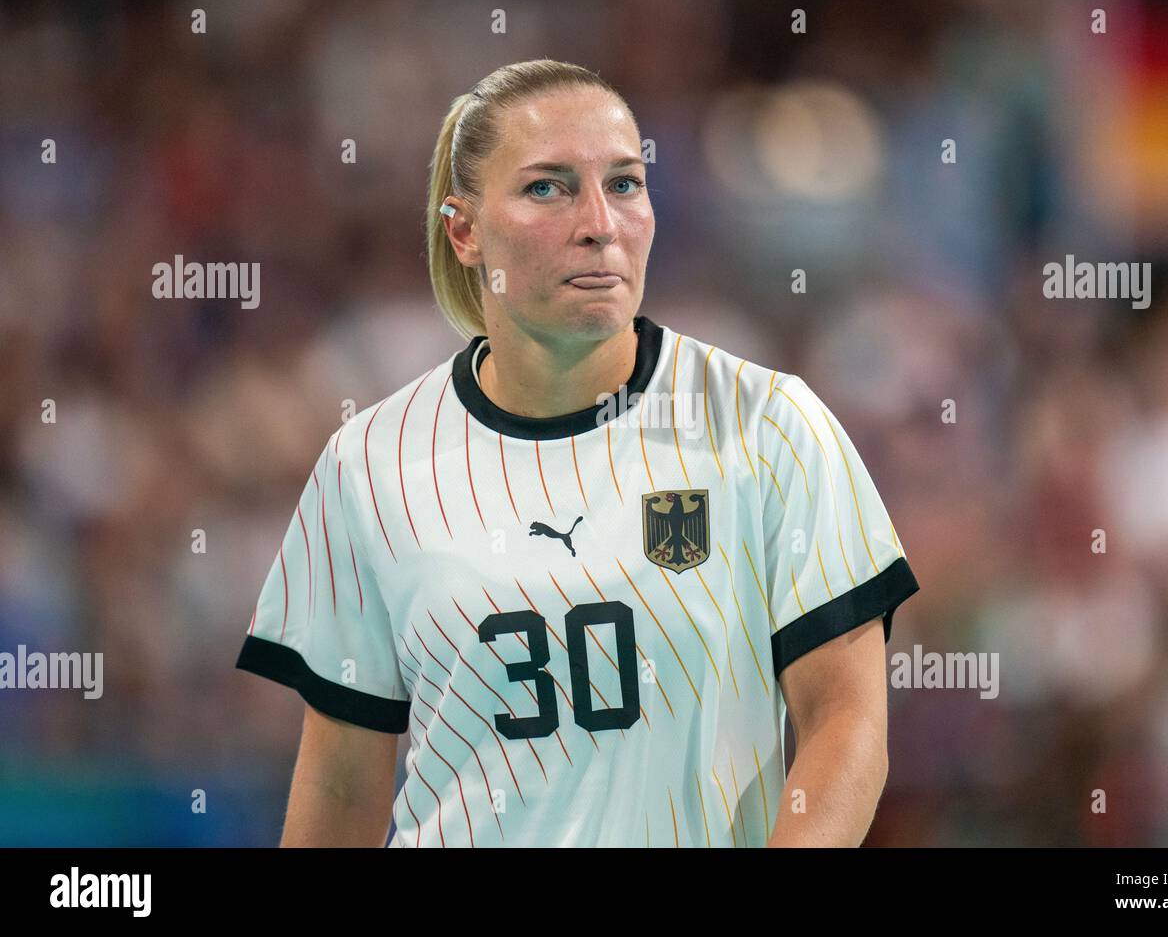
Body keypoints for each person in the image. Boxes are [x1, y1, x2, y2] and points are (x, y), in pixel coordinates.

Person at [236, 58, 918, 847]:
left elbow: (846, 719)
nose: (599, 222)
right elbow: (342, 783)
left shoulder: (766, 426)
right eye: (547, 188)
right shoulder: (367, 468)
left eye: (624, 183)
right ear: (463, 231)